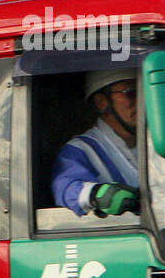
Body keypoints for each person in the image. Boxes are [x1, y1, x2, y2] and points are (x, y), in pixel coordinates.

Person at [51, 68, 141, 217]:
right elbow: (65, 187)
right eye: (131, 91)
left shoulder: (159, 142)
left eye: (145, 90)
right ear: (102, 102)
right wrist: (96, 195)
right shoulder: (80, 149)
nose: (141, 99)